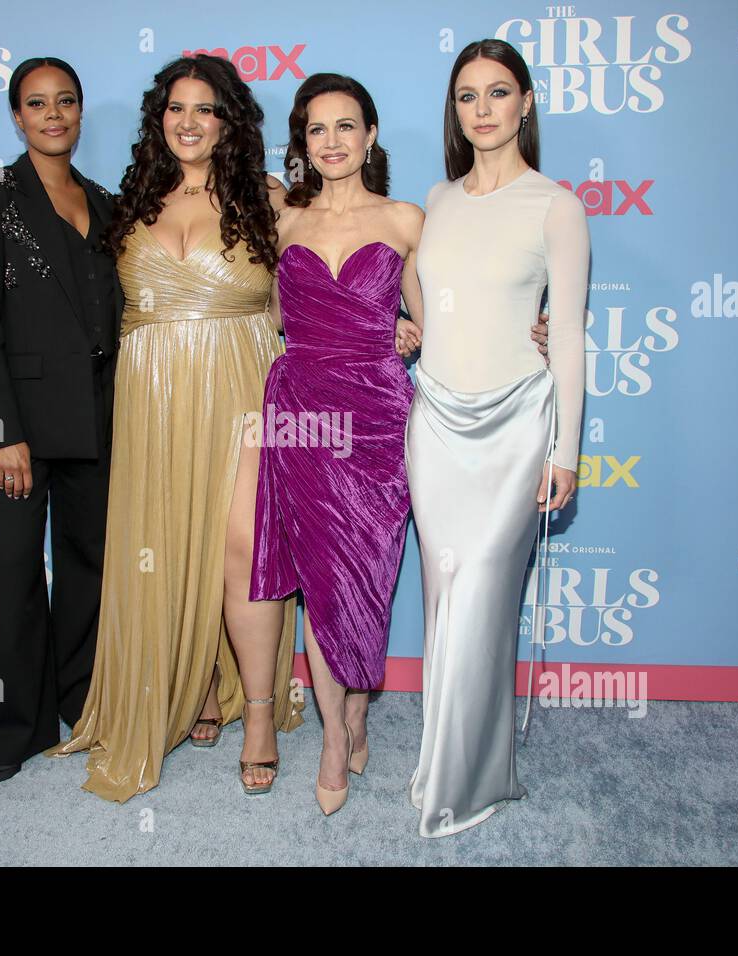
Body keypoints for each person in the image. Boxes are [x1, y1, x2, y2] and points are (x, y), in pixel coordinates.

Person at [47, 54, 304, 800]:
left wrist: (384, 330)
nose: (188, 122)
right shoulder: (129, 199)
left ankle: (256, 713)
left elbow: (321, 283)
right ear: (159, 120)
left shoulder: (268, 199)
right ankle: (193, 684)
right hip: (153, 392)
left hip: (245, 385)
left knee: (243, 545)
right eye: (175, 109)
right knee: (170, 541)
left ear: (230, 122)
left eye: (206, 110)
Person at [407, 38, 589, 836]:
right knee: (445, 596)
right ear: (455, 111)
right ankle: (447, 760)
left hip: (517, 424)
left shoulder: (557, 206)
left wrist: (567, 450)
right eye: (468, 96)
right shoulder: (437, 199)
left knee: (482, 590)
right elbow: (415, 291)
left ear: (524, 105)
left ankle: (470, 781)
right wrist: (404, 324)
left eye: (499, 93)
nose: (483, 110)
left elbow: (572, 337)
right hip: (435, 422)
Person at [250, 74, 422, 815]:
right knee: (321, 578)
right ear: (300, 144)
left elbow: (448, 321)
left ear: (372, 134)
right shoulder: (283, 220)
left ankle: (355, 709)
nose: (332, 142)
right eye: (316, 130)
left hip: (380, 415)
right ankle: (330, 736)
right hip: (303, 414)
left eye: (346, 126)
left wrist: (531, 331)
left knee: (368, 575)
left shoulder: (408, 219)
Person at [0, 57, 120, 785]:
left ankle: (79, 705)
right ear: (16, 117)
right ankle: (9, 731)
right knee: (19, 575)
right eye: (37, 103)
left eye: (66, 101)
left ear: (80, 112)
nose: (54, 114)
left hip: (97, 419)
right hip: (18, 425)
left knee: (88, 572)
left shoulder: (106, 201)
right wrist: (2, 431)